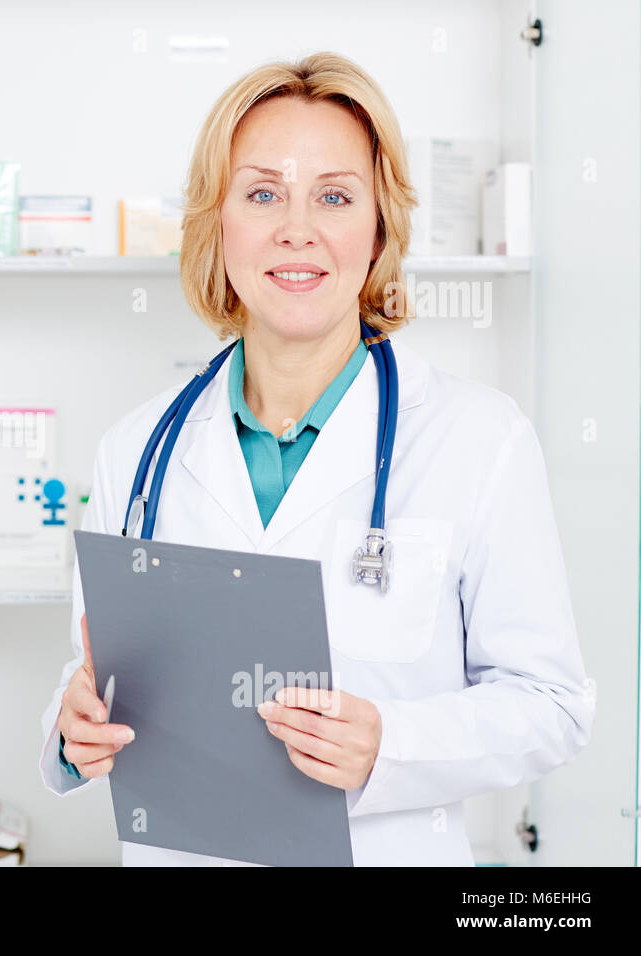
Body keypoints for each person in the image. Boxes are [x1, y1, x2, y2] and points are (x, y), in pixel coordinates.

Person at [39, 51, 594, 866]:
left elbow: (554, 706)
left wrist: (391, 745)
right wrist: (71, 726)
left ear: (377, 229)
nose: (296, 228)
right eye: (262, 193)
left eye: (334, 196)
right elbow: (92, 674)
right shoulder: (137, 452)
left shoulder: (479, 440)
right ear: (216, 221)